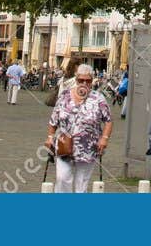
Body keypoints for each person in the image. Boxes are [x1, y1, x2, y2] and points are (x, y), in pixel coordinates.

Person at [46, 63, 113, 193]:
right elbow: (54, 120)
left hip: (88, 147)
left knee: (81, 184)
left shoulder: (98, 98)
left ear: (92, 80)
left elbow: (108, 121)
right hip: (64, 145)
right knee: (62, 178)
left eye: (87, 80)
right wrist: (50, 137)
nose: (84, 83)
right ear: (76, 79)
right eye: (80, 80)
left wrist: (104, 139)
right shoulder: (65, 96)